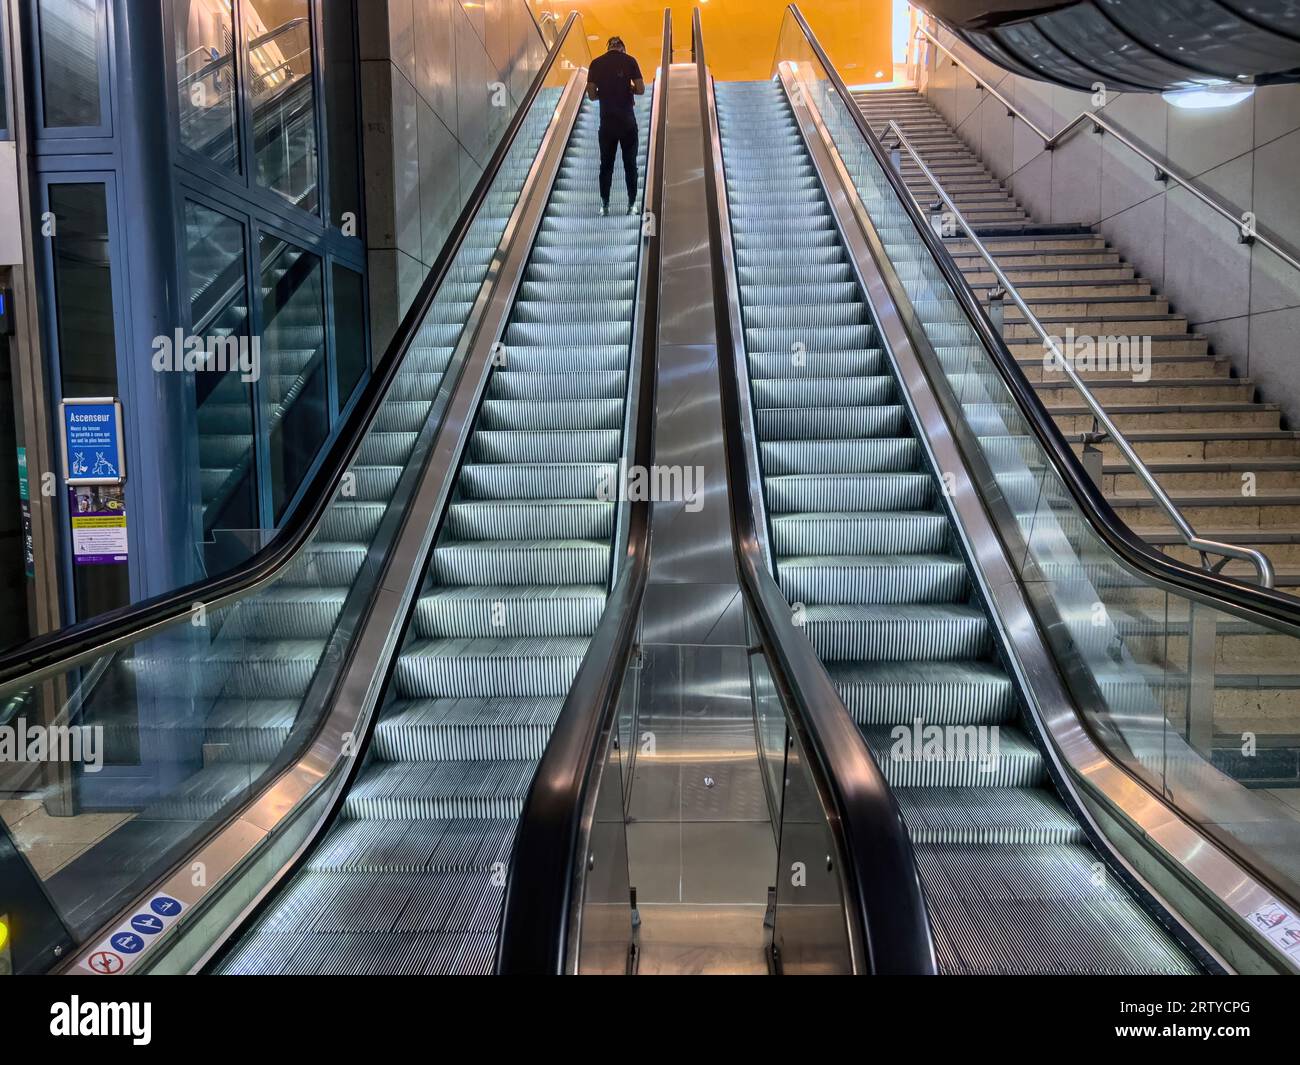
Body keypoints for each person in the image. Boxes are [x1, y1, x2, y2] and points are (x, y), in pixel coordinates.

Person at [586, 37, 645, 216]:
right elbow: (641, 89)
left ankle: (605, 205)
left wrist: (604, 94)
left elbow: (591, 94)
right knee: (630, 165)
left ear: (608, 47)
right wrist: (629, 90)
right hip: (627, 122)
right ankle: (632, 205)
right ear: (622, 48)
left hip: (607, 124)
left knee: (606, 166)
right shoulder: (630, 61)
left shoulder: (595, 63)